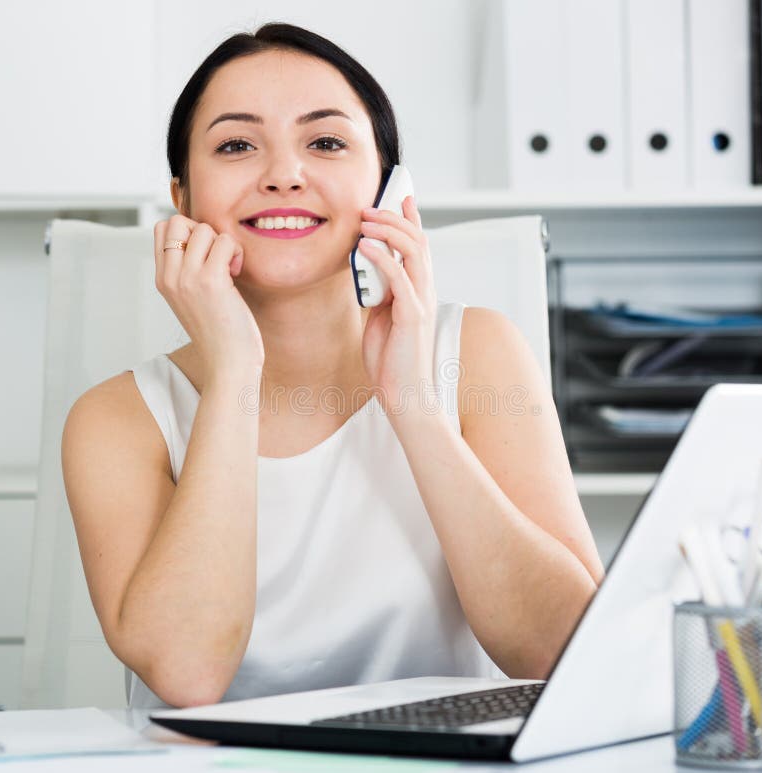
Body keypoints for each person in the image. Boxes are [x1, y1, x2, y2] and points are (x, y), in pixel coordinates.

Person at [61, 22, 604, 710]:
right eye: (235, 145)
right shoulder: (117, 418)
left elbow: (565, 650)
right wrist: (232, 376)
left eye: (325, 142)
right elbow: (188, 674)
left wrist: (414, 408)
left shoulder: (481, 355)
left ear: (387, 187)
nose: (284, 174)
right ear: (183, 200)